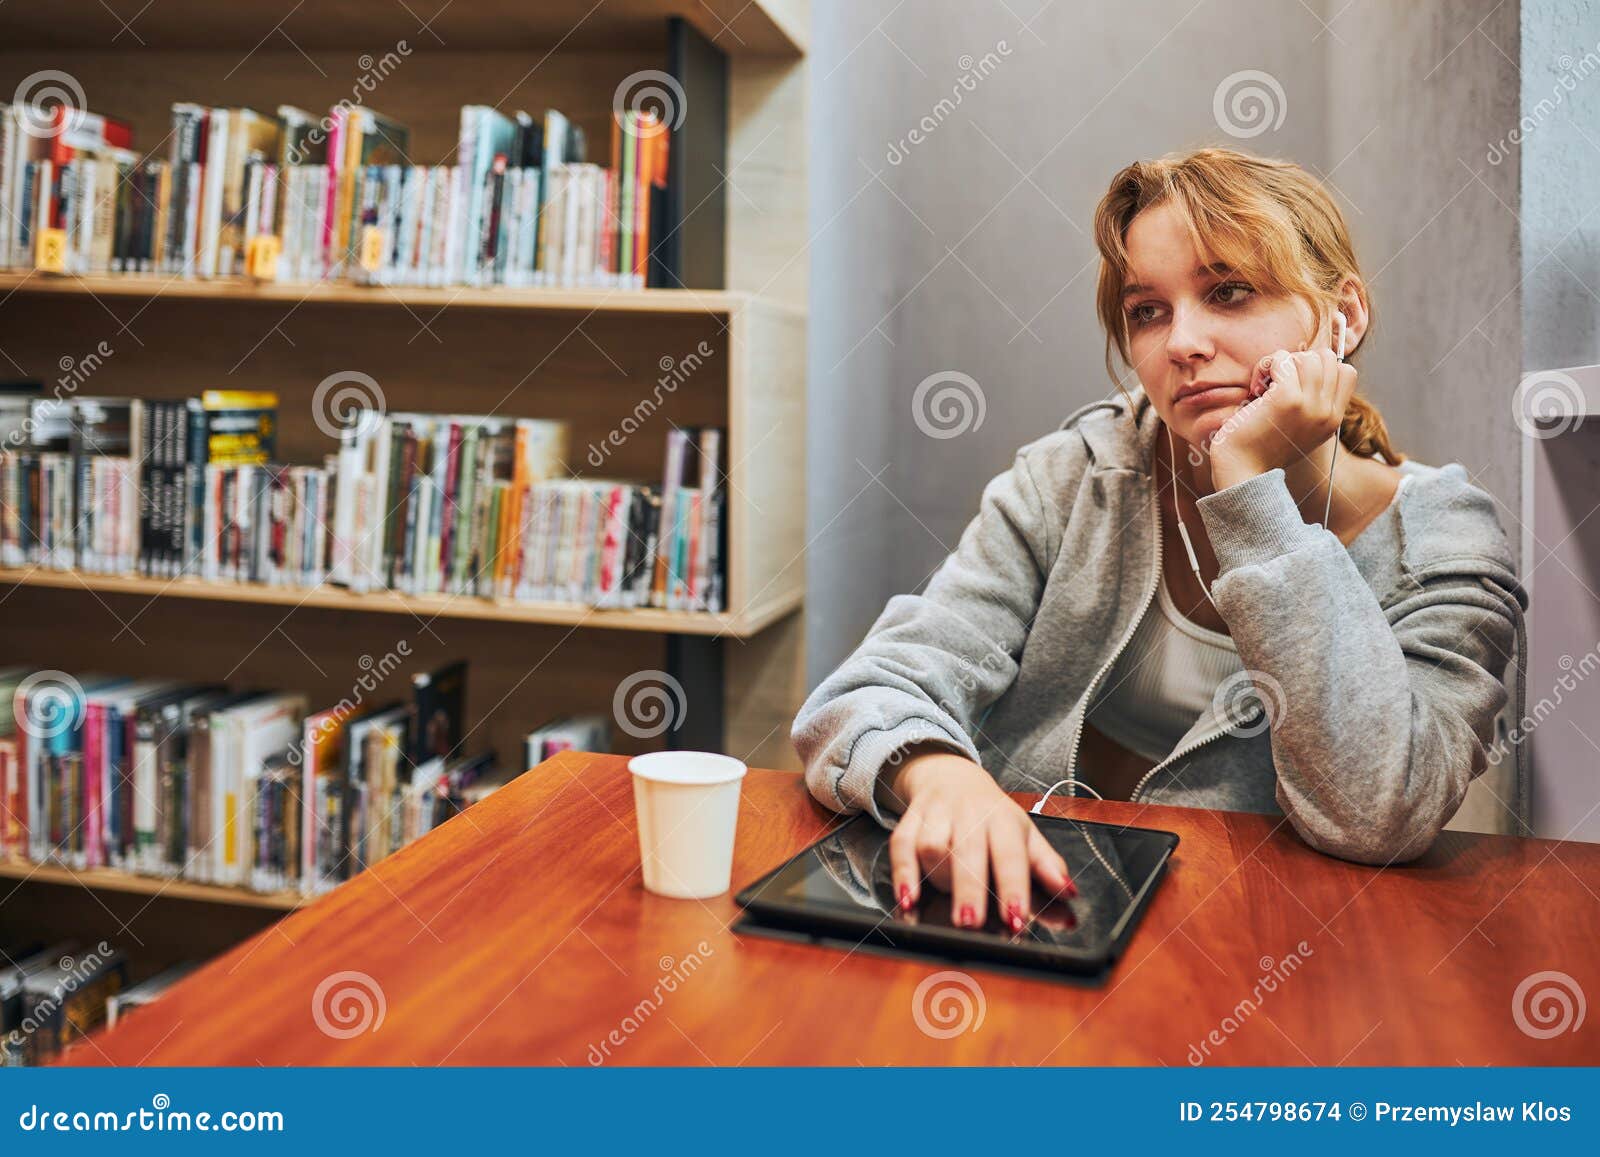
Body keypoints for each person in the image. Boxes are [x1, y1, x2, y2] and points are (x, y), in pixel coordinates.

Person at [792, 147, 1529, 934]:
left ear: (1343, 315)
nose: (1183, 342)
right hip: (1032, 911)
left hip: (1269, 942)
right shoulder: (1076, 478)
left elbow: (1381, 811)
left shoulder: (1443, 540)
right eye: (1149, 310)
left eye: (1229, 292)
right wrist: (942, 781)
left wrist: (1246, 488)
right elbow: (863, 694)